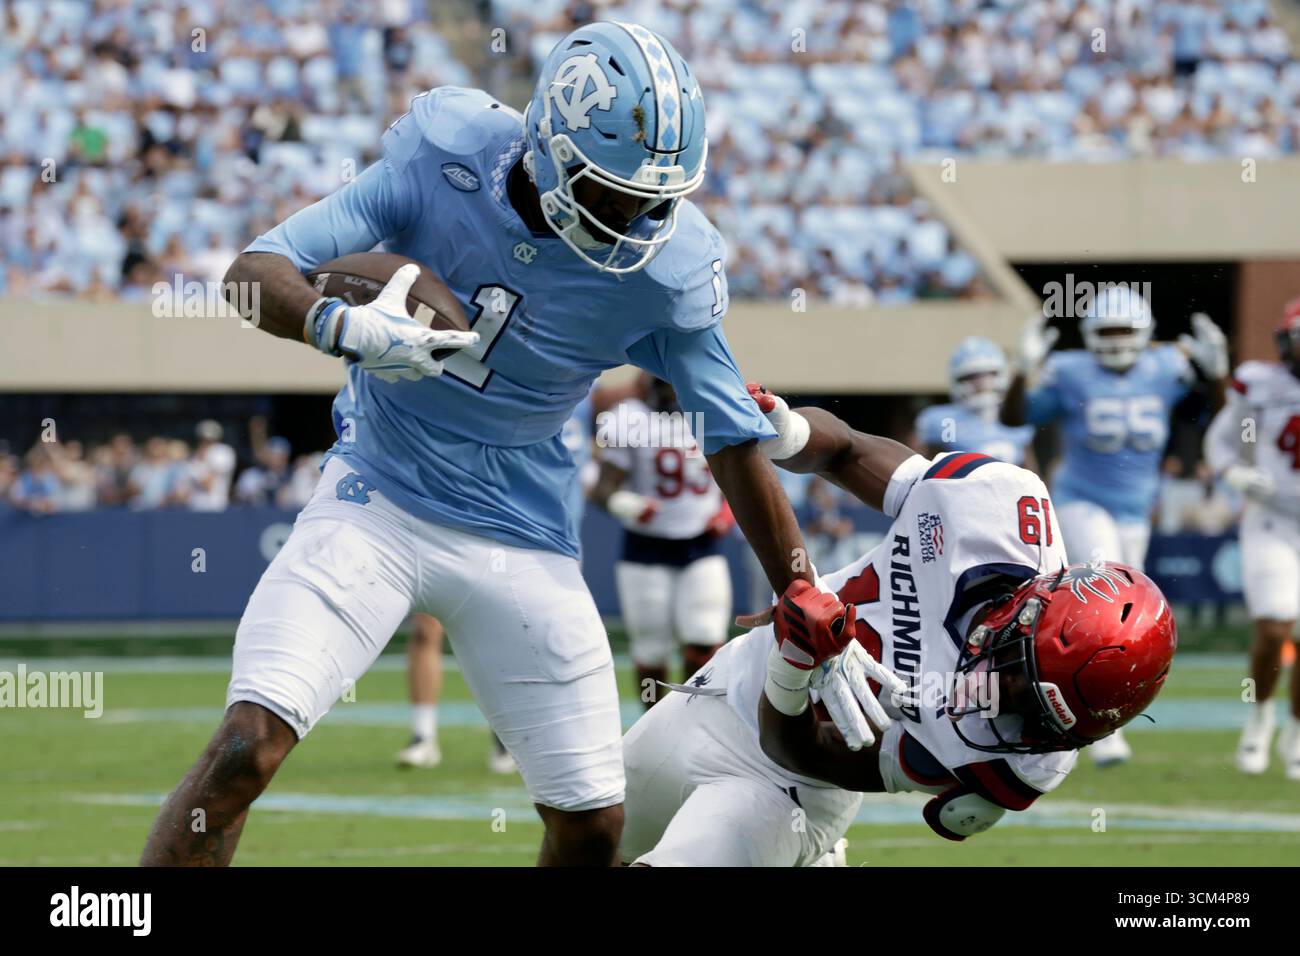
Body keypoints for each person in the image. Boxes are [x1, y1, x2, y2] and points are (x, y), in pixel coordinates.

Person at [142, 22, 843, 867]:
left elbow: (730, 433)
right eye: (617, 192)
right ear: (546, 147)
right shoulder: (445, 155)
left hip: (525, 537)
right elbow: (253, 273)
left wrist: (797, 584)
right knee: (244, 748)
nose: (642, 218)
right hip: (379, 499)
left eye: (659, 198)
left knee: (592, 827)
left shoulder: (668, 267)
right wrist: (340, 324)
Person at [620, 385, 1178, 866]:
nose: (1008, 697)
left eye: (1039, 714)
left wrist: (794, 665)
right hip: (719, 688)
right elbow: (843, 451)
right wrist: (786, 430)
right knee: (585, 838)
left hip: (792, 785)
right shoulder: (994, 507)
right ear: (1028, 605)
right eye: (1021, 674)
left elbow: (802, 752)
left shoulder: (1018, 762)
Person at [1003, 288, 1226, 767]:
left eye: (1124, 331)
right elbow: (1014, 417)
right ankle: (1098, 728)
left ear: (1144, 333)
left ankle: (1090, 708)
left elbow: (1217, 416)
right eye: (1107, 332)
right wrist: (1022, 372)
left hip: (1136, 508)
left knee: (1124, 609)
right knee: (1110, 592)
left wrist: (1216, 376)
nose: (1117, 341)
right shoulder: (1072, 372)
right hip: (1082, 499)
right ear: (1089, 336)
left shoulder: (1167, 369)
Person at [591, 377, 734, 709]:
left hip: (701, 545)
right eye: (666, 383)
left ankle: (694, 716)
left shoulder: (713, 412)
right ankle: (653, 720)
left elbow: (737, 475)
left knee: (705, 637)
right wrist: (623, 504)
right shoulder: (625, 419)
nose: (674, 391)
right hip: (645, 549)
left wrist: (727, 511)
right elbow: (602, 488)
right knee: (651, 649)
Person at [1204, 296, 1300, 779]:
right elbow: (1222, 440)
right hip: (1273, 519)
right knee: (1275, 626)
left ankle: (1297, 733)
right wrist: (1235, 474)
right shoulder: (1261, 385)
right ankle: (1260, 716)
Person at [913, 336, 1033, 465]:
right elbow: (921, 470)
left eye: (989, 373)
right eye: (971, 376)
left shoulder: (1013, 417)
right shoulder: (943, 421)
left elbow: (1032, 473)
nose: (982, 382)